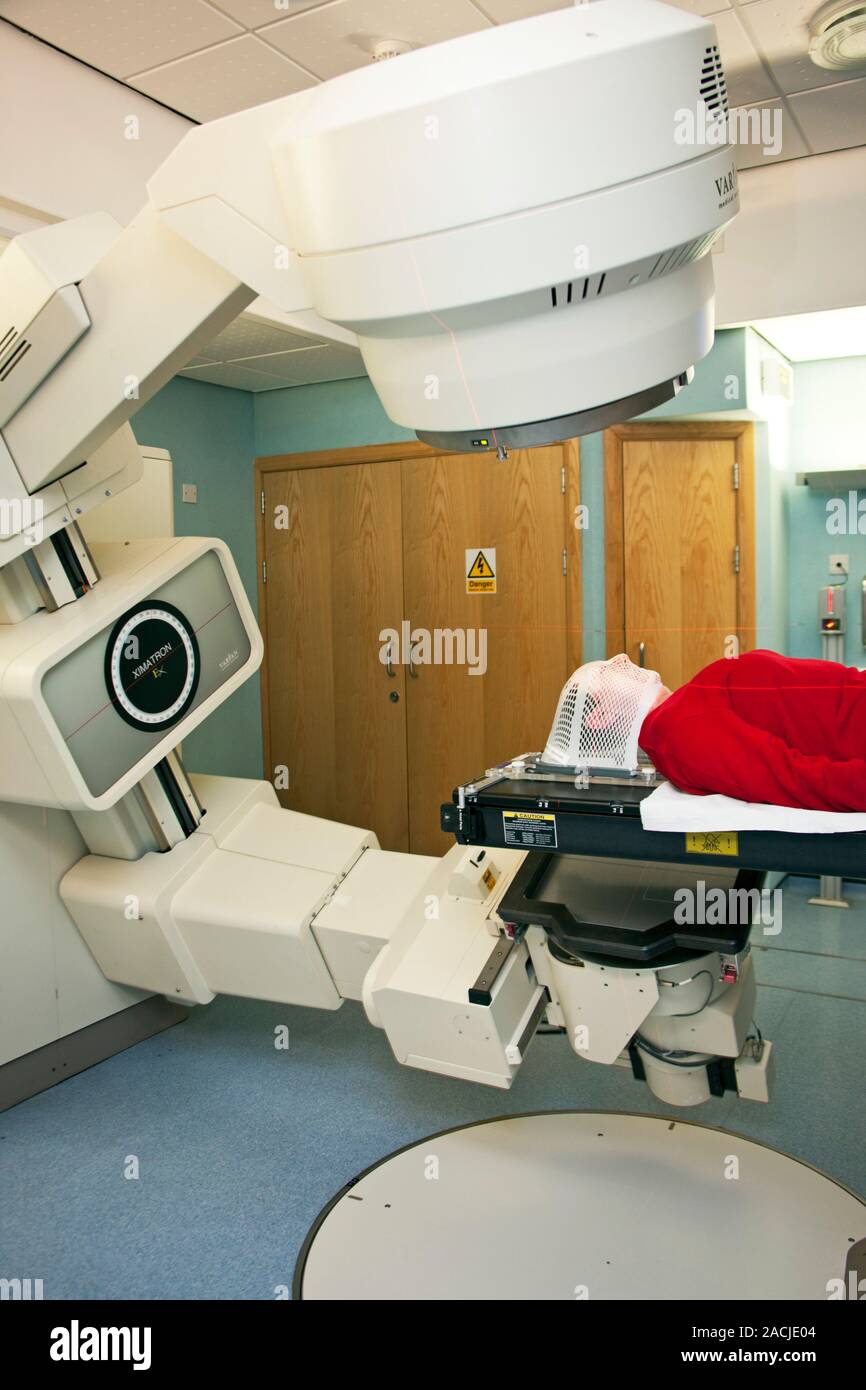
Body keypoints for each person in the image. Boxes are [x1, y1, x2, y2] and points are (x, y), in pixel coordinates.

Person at [638, 649, 866, 813]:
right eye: (604, 669)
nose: (622, 659)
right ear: (600, 717)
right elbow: (795, 779)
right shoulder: (676, 734)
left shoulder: (688, 700)